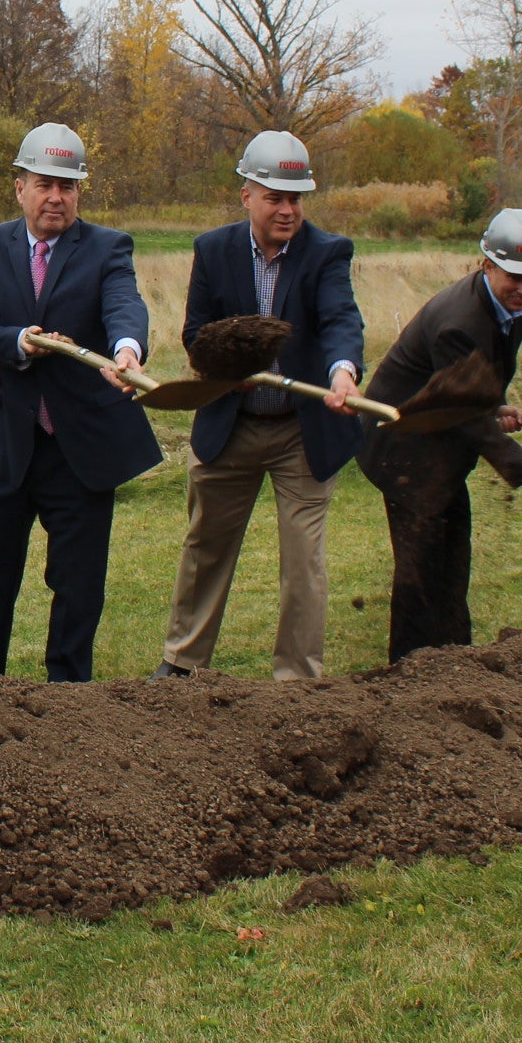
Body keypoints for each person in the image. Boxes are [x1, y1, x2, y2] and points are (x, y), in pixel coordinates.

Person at [0, 123, 156, 683]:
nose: (56, 197)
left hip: (81, 447)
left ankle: (68, 698)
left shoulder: (108, 247)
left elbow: (125, 306)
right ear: (19, 186)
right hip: (9, 442)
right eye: (44, 184)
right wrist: (20, 341)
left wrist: (127, 350)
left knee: (78, 581)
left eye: (67, 186)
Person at [158, 130, 364, 681]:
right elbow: (194, 334)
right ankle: (182, 663)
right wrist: (227, 369)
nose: (288, 209)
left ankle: (297, 679)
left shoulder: (328, 252)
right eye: (275, 197)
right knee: (207, 546)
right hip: (232, 425)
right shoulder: (213, 250)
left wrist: (343, 371)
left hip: (302, 431)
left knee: (304, 563)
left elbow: (342, 318)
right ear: (246, 194)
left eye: (296, 198)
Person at [357, 209, 522, 661]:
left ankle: (454, 660)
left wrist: (494, 404)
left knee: (452, 554)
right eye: (516, 276)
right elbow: (463, 414)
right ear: (487, 264)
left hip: (437, 443)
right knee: (421, 566)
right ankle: (412, 666)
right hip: (404, 452)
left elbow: (469, 387)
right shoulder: (460, 319)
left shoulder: (498, 305)